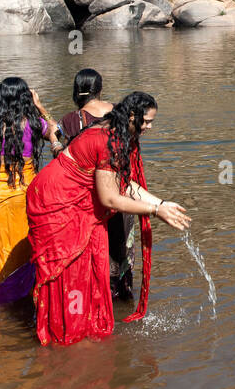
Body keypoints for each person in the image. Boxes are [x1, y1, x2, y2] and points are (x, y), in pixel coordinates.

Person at [26, 92, 191, 346]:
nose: (150, 127)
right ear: (132, 116)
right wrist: (155, 211)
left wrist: (160, 203)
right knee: (71, 269)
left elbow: (125, 185)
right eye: (147, 121)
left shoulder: (118, 133)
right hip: (56, 201)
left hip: (75, 200)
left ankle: (82, 325)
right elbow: (110, 199)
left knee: (92, 261)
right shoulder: (108, 140)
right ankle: (67, 333)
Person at [0, 78, 59, 302]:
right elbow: (57, 130)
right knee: (26, 248)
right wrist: (40, 106)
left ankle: (3, 299)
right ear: (26, 98)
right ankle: (27, 296)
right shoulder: (33, 123)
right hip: (24, 192)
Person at [58, 68, 134, 299]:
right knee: (122, 250)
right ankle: (124, 296)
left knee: (95, 251)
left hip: (88, 197)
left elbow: (62, 155)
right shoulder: (121, 113)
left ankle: (99, 301)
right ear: (100, 90)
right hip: (121, 193)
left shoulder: (70, 121)